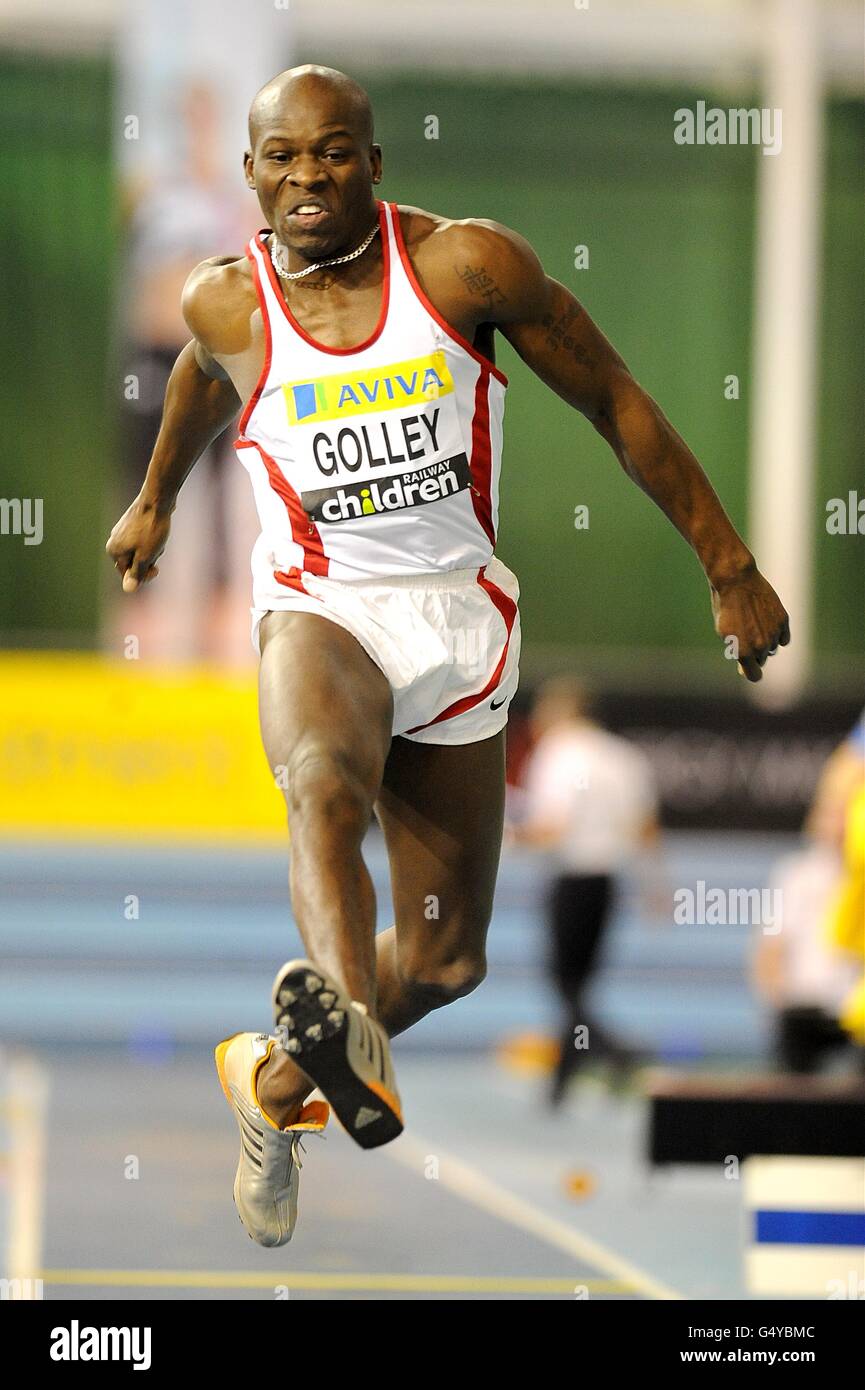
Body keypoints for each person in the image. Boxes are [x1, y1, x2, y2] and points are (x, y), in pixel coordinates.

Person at [105, 65, 790, 1247]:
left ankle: (278, 1080)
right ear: (252, 177)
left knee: (447, 957)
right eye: (283, 158)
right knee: (320, 776)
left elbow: (613, 397)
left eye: (333, 153)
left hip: (456, 616)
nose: (307, 175)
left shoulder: (467, 270)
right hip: (320, 603)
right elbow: (193, 383)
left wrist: (726, 563)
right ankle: (343, 1030)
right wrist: (156, 501)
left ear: (375, 164)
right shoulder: (226, 302)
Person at [516, 678, 662, 1103]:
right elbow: (646, 828)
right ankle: (564, 1076)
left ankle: (615, 1053)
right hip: (607, 883)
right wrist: (656, 885)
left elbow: (552, 827)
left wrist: (508, 836)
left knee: (565, 985)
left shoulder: (559, 753)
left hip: (572, 878)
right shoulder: (622, 756)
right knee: (580, 986)